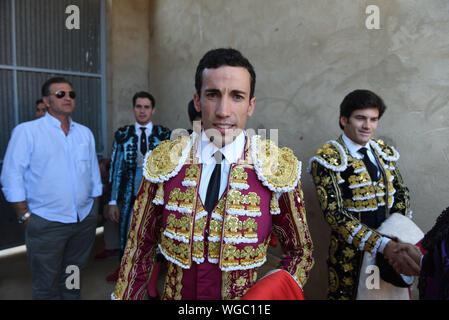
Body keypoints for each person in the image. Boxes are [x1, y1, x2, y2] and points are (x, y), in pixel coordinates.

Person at [112, 48, 314, 300]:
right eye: (212, 95)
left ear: (251, 105)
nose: (223, 110)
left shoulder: (275, 167)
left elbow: (300, 252)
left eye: (237, 96)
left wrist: (268, 295)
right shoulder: (165, 162)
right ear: (197, 101)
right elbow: (140, 247)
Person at [308, 89, 420, 300]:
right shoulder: (329, 157)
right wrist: (382, 244)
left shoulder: (381, 151)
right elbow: (335, 214)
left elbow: (401, 194)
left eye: (373, 119)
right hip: (350, 255)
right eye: (360, 118)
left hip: (391, 250)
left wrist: (398, 237)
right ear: (344, 120)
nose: (368, 126)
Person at [1, 77, 102, 299]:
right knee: (46, 283)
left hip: (82, 222)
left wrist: (94, 207)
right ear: (47, 101)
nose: (67, 98)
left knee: (73, 273)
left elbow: (93, 172)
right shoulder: (27, 132)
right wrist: (25, 215)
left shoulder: (84, 133)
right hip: (46, 223)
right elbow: (11, 176)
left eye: (71, 95)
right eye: (60, 94)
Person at [107, 91, 170, 296]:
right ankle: (128, 283)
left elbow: (171, 170)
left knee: (155, 239)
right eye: (138, 107)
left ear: (153, 110)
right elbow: (116, 169)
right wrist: (113, 200)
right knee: (128, 238)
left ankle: (150, 286)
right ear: (133, 109)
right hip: (128, 199)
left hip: (156, 199)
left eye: (146, 107)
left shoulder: (164, 135)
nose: (142, 111)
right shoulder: (122, 135)